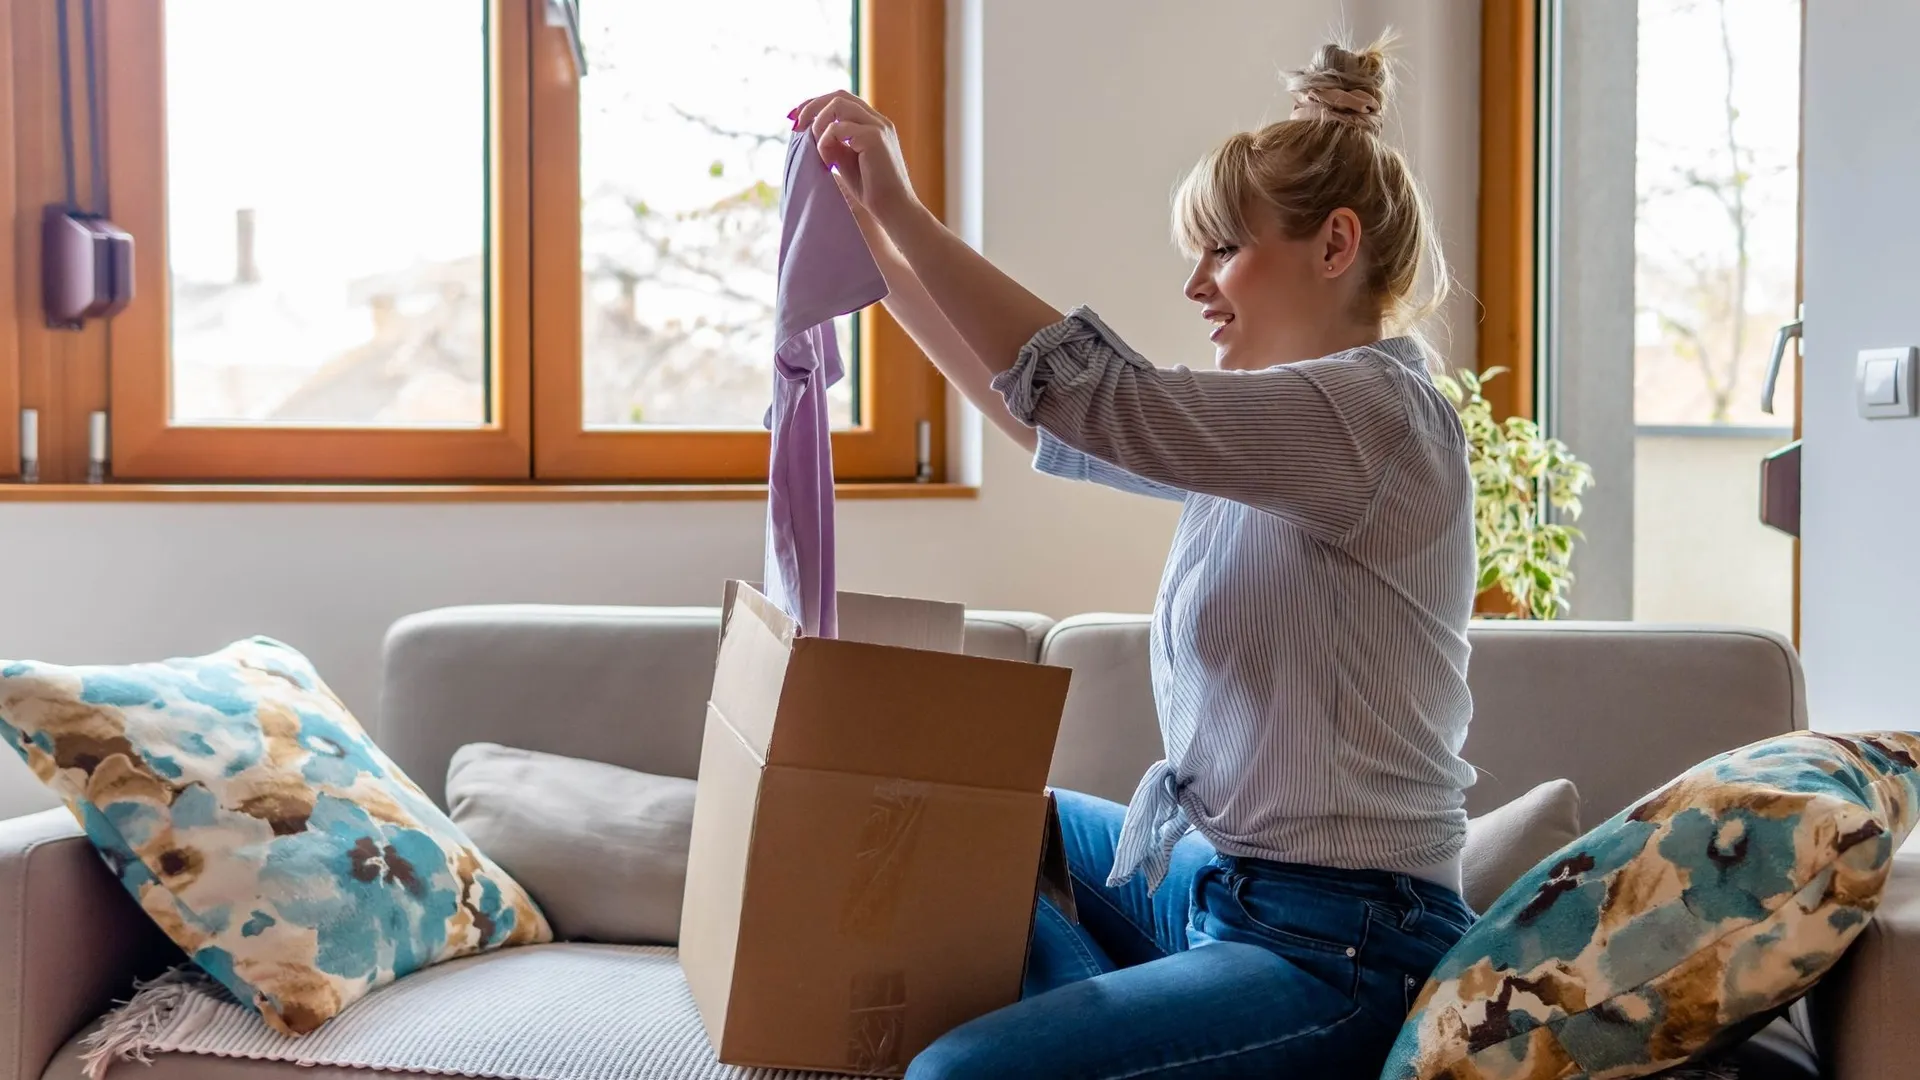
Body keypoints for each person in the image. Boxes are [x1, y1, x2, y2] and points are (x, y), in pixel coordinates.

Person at [793, 33, 1478, 1080]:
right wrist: (875, 251)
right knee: (980, 821)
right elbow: (1050, 423)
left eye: (1224, 250)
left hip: (1343, 946)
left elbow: (1106, 402)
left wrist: (908, 215)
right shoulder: (1275, 438)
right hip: (1221, 889)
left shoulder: (1375, 415)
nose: (1197, 284)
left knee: (955, 1076)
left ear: (1335, 244)